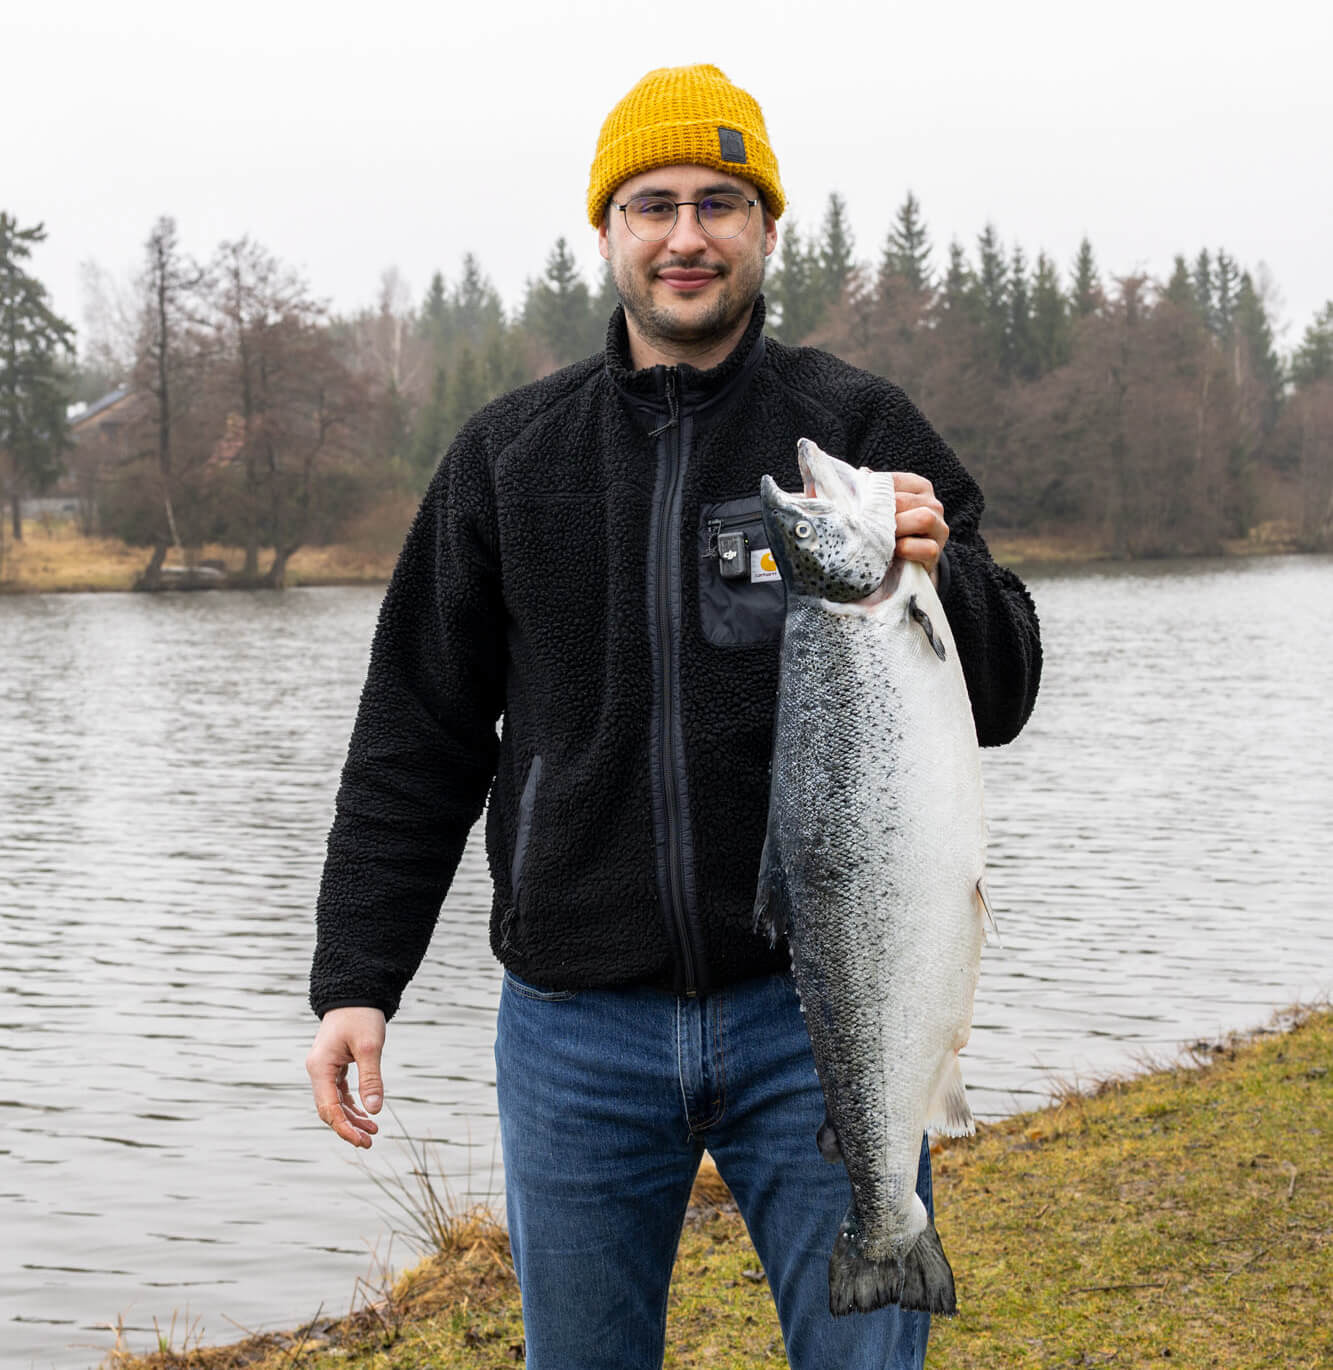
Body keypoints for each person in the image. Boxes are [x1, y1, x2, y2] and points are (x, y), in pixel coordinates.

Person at [306, 63, 1041, 1370]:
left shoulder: (856, 430)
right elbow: (418, 728)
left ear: (766, 228)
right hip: (572, 1025)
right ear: (606, 231)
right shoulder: (507, 455)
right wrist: (359, 977)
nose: (686, 234)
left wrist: (947, 575)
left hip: (821, 1010)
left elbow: (1004, 690)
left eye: (718, 202)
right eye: (651, 204)